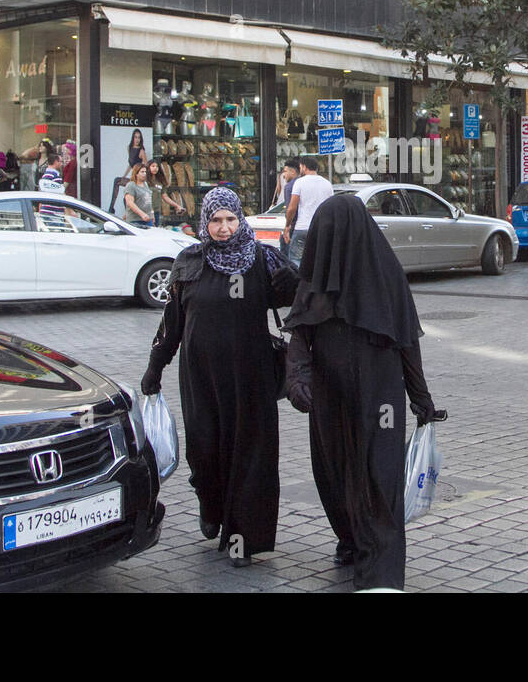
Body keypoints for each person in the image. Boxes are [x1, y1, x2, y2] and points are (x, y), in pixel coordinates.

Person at [282, 194, 445, 590]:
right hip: (328, 395)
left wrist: (421, 399)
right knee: (335, 473)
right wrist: (297, 379)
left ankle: (382, 572)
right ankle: (352, 539)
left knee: (377, 477)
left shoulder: (385, 277)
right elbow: (300, 334)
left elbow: (408, 341)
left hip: (380, 399)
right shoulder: (315, 279)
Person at [141, 188, 298, 567]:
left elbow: (298, 292)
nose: (224, 228)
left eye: (230, 219)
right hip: (202, 380)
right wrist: (155, 365)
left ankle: (242, 537)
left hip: (251, 378)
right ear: (205, 223)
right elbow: (172, 322)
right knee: (205, 451)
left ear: (240, 220)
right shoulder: (189, 262)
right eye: (216, 220)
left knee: (251, 456)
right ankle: (212, 507)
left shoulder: (262, 259)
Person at [284, 156, 333, 265]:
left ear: (304, 167)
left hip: (303, 227)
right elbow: (331, 206)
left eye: (300, 167)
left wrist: (287, 226)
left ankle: (297, 281)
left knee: (296, 260)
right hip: (321, 228)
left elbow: (292, 208)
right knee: (319, 260)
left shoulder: (300, 182)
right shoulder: (327, 184)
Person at [123, 162, 155, 227]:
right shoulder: (131, 185)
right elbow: (130, 203)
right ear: (136, 173)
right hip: (135, 220)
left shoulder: (145, 184)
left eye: (145, 172)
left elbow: (148, 201)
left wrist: (152, 214)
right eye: (142, 172)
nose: (144, 174)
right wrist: (142, 214)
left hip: (147, 219)